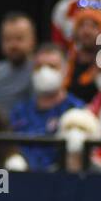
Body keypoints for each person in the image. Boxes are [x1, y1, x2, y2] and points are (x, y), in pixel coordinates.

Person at [11, 42, 83, 170]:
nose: (44, 72)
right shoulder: (19, 111)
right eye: (38, 67)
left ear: (66, 70)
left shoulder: (76, 111)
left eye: (52, 66)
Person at [0, 10, 35, 115]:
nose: (13, 45)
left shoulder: (39, 71)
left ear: (32, 40)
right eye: (8, 39)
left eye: (19, 38)